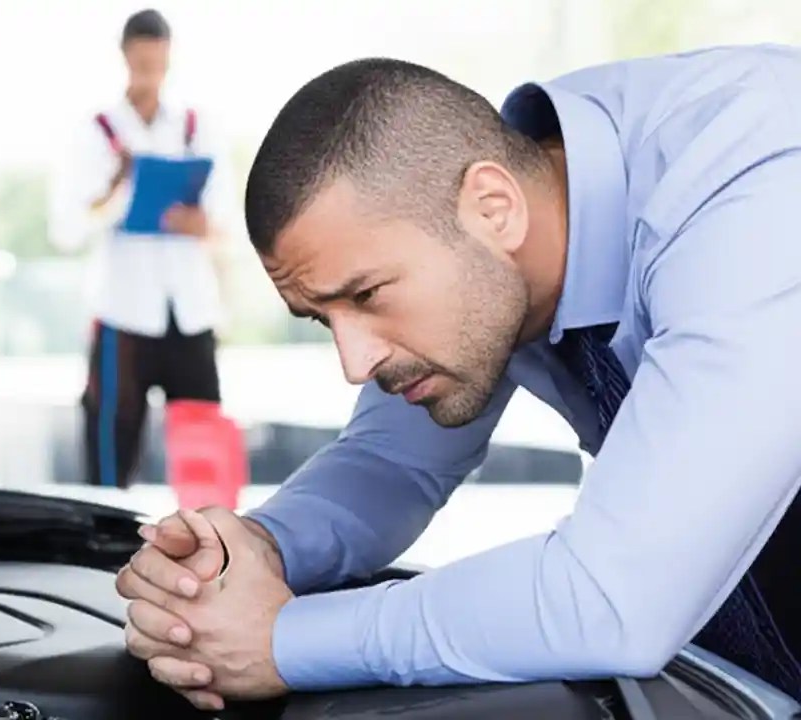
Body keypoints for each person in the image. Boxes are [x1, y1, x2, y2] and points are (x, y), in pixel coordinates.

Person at [113, 44, 801, 711]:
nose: (355, 363)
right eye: (324, 320)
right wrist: (249, 553)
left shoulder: (755, 185)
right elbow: (390, 462)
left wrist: (280, 641)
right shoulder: (508, 214)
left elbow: (616, 596)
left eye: (368, 296)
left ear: (492, 208)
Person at [48, 8, 238, 489]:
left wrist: (199, 224)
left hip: (190, 309)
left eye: (157, 63)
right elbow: (66, 229)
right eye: (140, 63)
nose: (149, 73)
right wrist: (117, 186)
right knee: (112, 442)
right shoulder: (97, 133)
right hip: (123, 310)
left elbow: (228, 224)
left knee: (202, 450)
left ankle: (214, 545)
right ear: (125, 57)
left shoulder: (198, 127)